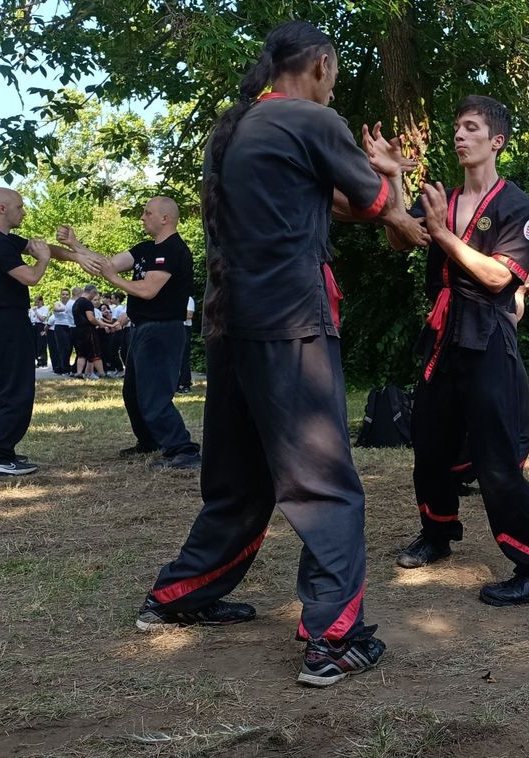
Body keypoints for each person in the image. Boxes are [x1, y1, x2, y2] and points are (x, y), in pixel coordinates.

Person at [137, 20, 423, 687]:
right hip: (291, 321)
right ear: (319, 64)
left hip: (228, 325)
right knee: (325, 485)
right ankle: (334, 640)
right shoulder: (313, 119)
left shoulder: (235, 130)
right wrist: (396, 184)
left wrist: (381, 186)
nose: (335, 88)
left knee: (239, 480)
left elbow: (320, 203)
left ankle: (178, 595)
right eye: (336, 76)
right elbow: (387, 217)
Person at [387, 96, 529, 607]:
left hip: (487, 335)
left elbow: (496, 277)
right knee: (430, 441)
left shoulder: (520, 208)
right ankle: (437, 534)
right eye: (457, 127)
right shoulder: (441, 198)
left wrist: (442, 233)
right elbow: (401, 240)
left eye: (471, 128)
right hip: (442, 335)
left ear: (497, 142)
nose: (460, 136)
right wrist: (389, 181)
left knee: (496, 457)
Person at [58, 197, 202, 469]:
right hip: (142, 329)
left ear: (165, 218)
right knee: (133, 392)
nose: (142, 217)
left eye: (147, 213)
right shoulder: (146, 248)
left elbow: (147, 290)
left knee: (154, 394)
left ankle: (182, 449)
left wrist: (113, 280)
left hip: (163, 330)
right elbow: (107, 263)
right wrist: (75, 245)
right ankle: (150, 441)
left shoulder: (173, 249)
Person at [0, 187, 103, 475]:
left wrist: (76, 255)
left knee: (8, 387)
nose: (24, 211)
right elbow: (30, 276)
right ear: (2, 208)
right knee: (17, 389)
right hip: (5, 321)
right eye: (19, 206)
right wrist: (42, 260)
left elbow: (43, 248)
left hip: (3, 320)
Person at [70, 283, 106, 379]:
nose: (94, 297)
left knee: (81, 353)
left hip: (77, 329)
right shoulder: (87, 303)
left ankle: (79, 373)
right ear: (92, 292)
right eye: (95, 294)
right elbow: (90, 318)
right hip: (88, 330)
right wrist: (100, 323)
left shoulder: (76, 303)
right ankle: (102, 373)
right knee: (95, 352)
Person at [49, 288, 75, 374]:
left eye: (67, 294)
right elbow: (56, 309)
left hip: (70, 326)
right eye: (63, 294)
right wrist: (67, 308)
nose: (65, 296)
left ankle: (66, 366)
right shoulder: (58, 303)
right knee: (63, 348)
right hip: (60, 327)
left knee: (69, 348)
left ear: (69, 295)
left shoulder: (72, 303)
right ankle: (62, 368)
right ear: (60, 295)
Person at [178, 295, 195, 392]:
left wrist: (174, 312)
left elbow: (189, 315)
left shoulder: (188, 299)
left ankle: (185, 384)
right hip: (174, 328)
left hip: (184, 329)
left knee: (184, 356)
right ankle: (175, 384)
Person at [29, 295, 49, 368]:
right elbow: (30, 318)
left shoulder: (45, 308)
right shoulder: (32, 309)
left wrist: (36, 312)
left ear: (41, 301)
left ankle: (42, 361)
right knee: (33, 344)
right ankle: (35, 361)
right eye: (35, 302)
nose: (36, 303)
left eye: (38, 302)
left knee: (41, 344)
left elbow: (42, 319)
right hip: (33, 326)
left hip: (41, 326)